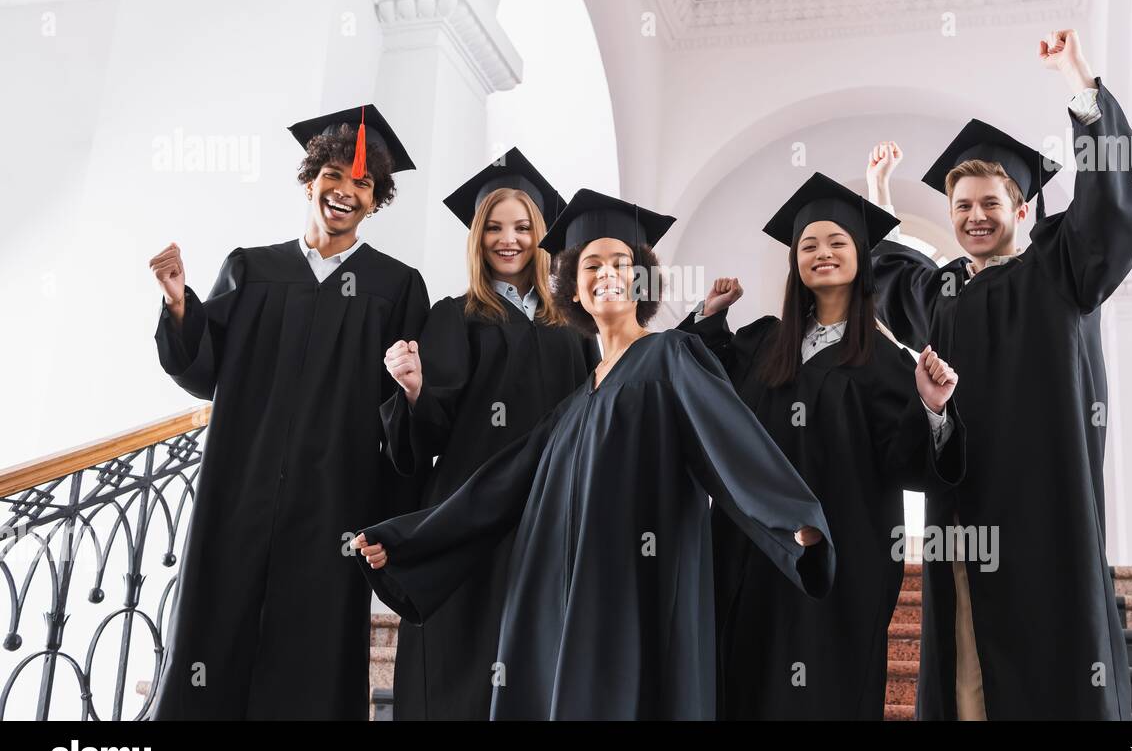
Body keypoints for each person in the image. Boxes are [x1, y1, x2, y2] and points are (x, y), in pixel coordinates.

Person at [353, 189, 834, 719]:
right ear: (574, 291)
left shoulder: (670, 356)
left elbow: (732, 442)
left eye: (620, 262)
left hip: (637, 584)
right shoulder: (575, 403)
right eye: (591, 264)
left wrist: (792, 520)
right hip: (565, 590)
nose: (606, 273)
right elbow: (498, 486)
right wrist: (407, 540)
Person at [869, 29, 1132, 719]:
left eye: (991, 203)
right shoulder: (939, 294)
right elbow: (886, 275)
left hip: (1045, 508)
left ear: (1023, 210)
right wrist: (878, 189)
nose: (974, 216)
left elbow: (1111, 208)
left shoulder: (1058, 270)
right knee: (969, 663)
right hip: (966, 508)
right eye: (962, 205)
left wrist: (1079, 83)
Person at [147, 104, 428, 719]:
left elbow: (406, 412)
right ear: (310, 181)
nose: (345, 191)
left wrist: (410, 393)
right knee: (214, 637)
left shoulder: (396, 287)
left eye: (363, 184)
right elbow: (204, 371)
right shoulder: (252, 269)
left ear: (375, 201)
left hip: (335, 503)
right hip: (239, 491)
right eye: (334, 174)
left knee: (312, 652)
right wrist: (178, 306)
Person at [679, 172, 966, 719]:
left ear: (861, 257)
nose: (822, 253)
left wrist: (930, 406)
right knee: (744, 681)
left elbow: (908, 466)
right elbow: (704, 395)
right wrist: (710, 320)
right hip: (754, 551)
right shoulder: (763, 342)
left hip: (841, 561)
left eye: (837, 242)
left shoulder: (887, 362)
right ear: (795, 263)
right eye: (808, 244)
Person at [379, 148, 599, 720]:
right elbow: (427, 435)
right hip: (467, 510)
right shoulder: (454, 316)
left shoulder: (572, 325)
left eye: (523, 227)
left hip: (551, 510)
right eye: (495, 227)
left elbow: (598, 410)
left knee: (543, 662)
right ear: (477, 238)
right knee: (462, 663)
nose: (509, 239)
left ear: (540, 236)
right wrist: (413, 390)